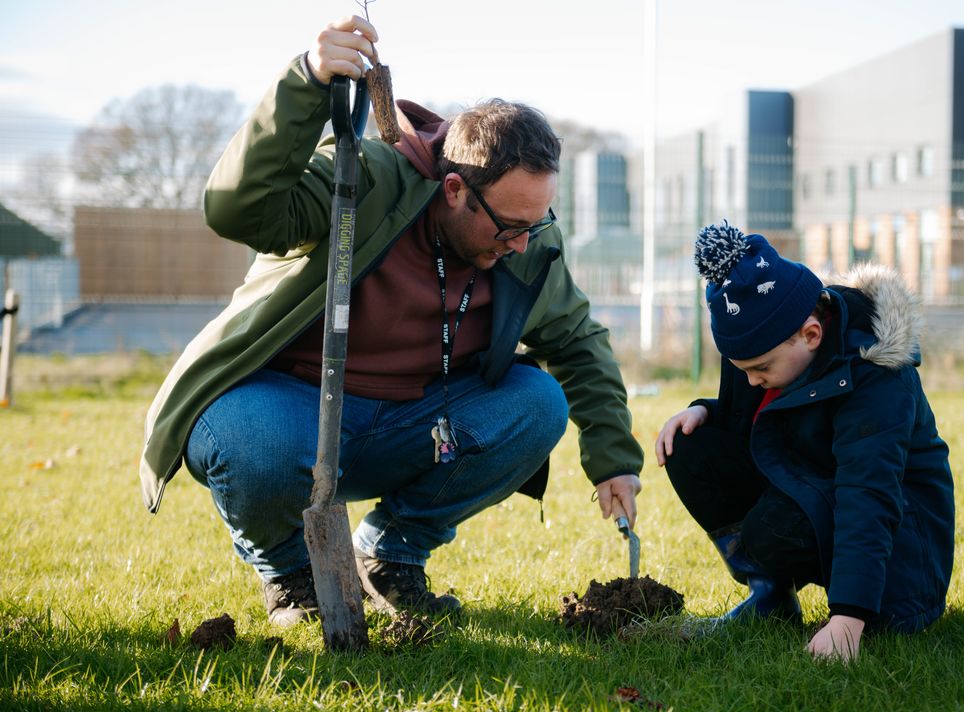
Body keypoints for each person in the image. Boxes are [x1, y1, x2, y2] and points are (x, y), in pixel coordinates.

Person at [139, 16, 643, 626]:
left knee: (538, 403)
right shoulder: (365, 178)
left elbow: (577, 342)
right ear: (454, 189)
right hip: (292, 409)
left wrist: (614, 457)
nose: (520, 243)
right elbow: (238, 209)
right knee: (252, 438)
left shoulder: (527, 242)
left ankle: (389, 555)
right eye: (509, 226)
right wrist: (306, 81)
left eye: (535, 225)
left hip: (415, 424)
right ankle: (291, 576)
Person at [654, 223, 954, 661]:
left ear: (812, 334)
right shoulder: (770, 352)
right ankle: (770, 598)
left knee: (772, 527)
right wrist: (707, 412)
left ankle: (856, 608)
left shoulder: (876, 375)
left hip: (901, 558)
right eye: (741, 370)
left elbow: (868, 494)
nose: (751, 381)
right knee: (692, 446)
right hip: (821, 494)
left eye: (760, 369)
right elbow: (774, 421)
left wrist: (849, 618)